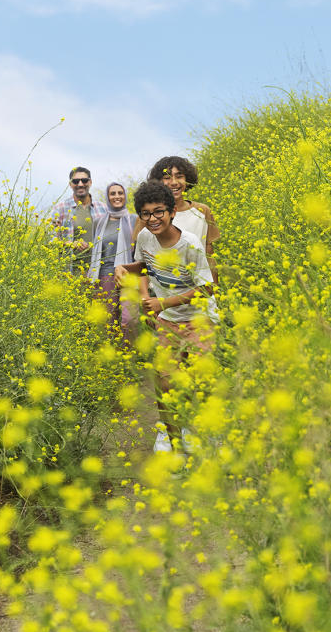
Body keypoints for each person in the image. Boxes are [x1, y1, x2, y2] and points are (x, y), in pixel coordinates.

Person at [115, 180, 217, 453]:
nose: (152, 218)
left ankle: (202, 432)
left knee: (201, 380)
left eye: (159, 211)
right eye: (146, 213)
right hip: (167, 320)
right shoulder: (146, 237)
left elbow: (206, 288)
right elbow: (146, 267)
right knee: (165, 383)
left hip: (198, 318)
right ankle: (174, 444)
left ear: (172, 212)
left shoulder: (189, 244)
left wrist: (164, 303)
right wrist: (124, 269)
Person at [87, 182, 138, 344]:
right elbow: (94, 251)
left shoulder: (134, 220)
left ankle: (129, 356)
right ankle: (111, 361)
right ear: (108, 198)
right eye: (113, 193)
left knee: (130, 319)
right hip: (104, 275)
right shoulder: (99, 222)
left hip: (129, 275)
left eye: (120, 193)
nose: (117, 196)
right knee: (108, 320)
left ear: (125, 196)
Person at [49, 166, 108, 275]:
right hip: (70, 274)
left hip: (100, 272)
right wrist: (71, 244)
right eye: (76, 181)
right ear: (70, 184)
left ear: (90, 182)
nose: (80, 184)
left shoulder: (103, 208)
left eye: (84, 180)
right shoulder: (60, 209)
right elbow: (51, 241)